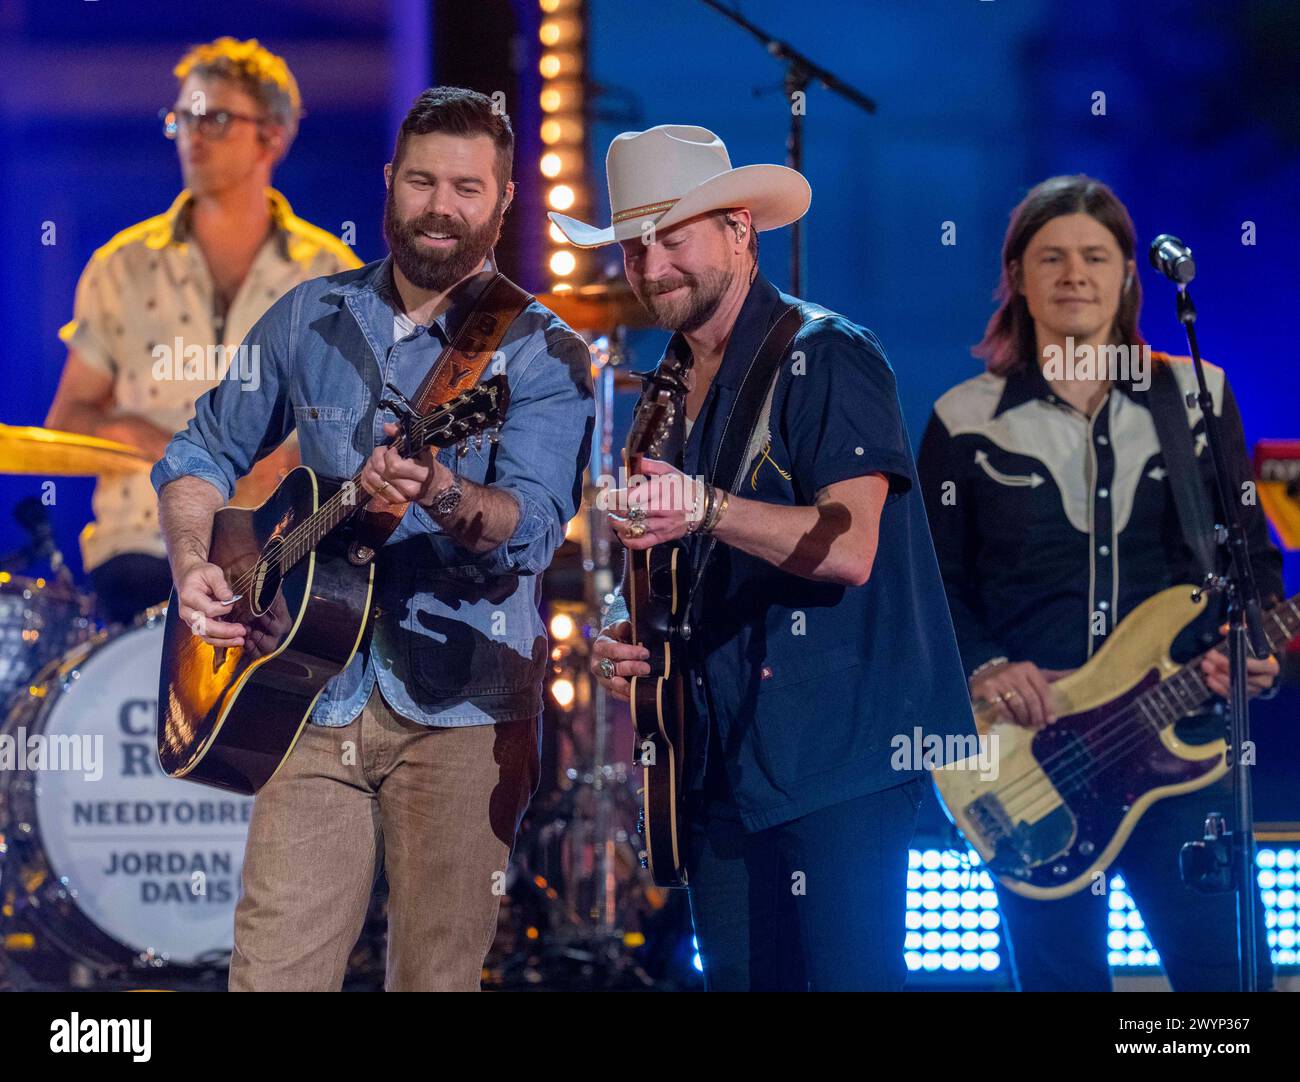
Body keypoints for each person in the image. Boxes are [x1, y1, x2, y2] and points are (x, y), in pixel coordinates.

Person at [151, 86, 594, 991]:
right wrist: (195, 561)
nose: (442, 207)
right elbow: (200, 451)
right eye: (423, 181)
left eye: (469, 189)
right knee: (271, 974)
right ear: (390, 184)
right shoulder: (309, 315)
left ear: (505, 200)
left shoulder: (543, 353)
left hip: (466, 710)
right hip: (306, 698)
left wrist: (441, 489)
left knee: (435, 979)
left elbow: (535, 529)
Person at [561, 125, 974, 991]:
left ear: (741, 232)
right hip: (718, 768)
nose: (651, 263)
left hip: (837, 764)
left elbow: (850, 546)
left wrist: (707, 507)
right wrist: (621, 629)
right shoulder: (665, 388)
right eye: (636, 246)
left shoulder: (828, 354)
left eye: (674, 238)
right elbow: (665, 557)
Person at [916, 174, 1283, 991]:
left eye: (1095, 256)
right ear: (1017, 277)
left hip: (1179, 747)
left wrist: (1253, 639)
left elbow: (1249, 556)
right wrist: (985, 666)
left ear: (1127, 275)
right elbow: (929, 585)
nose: (1074, 274)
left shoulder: (1196, 394)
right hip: (1030, 755)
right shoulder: (963, 418)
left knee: (1227, 989)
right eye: (1051, 257)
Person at [47, 36, 360, 625]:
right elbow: (65, 424)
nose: (193, 133)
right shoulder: (122, 265)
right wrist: (151, 440)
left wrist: (286, 458)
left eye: (215, 118)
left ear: (273, 135)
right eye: (182, 117)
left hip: (275, 552)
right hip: (138, 551)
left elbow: (352, 430)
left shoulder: (327, 273)